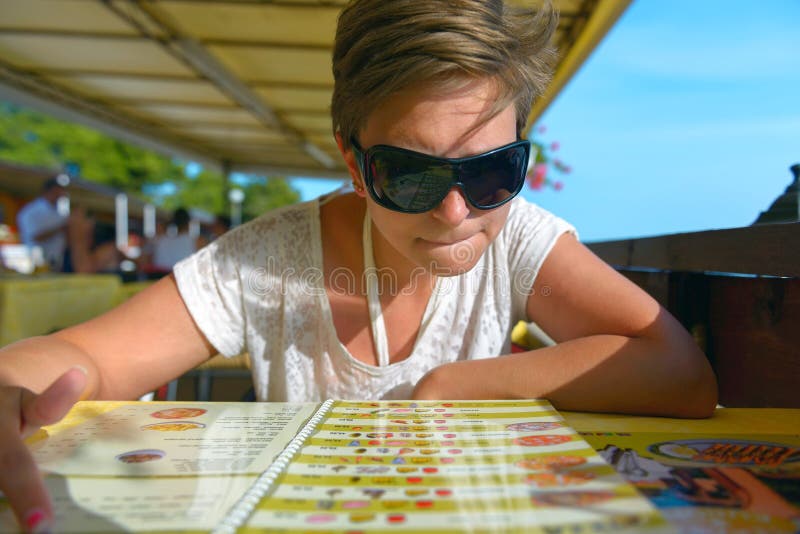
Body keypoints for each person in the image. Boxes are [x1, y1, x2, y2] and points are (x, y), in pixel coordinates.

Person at [0, 1, 718, 531]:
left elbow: (679, 372)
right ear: (353, 160)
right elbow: (82, 356)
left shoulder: (518, 241)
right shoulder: (265, 261)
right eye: (410, 177)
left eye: (493, 171)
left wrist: (454, 385)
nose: (457, 214)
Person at [15, 175, 69, 271]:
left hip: (57, 260)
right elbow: (35, 237)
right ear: (52, 190)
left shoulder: (58, 212)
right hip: (36, 261)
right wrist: (61, 229)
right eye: (59, 191)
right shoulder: (31, 212)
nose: (62, 194)